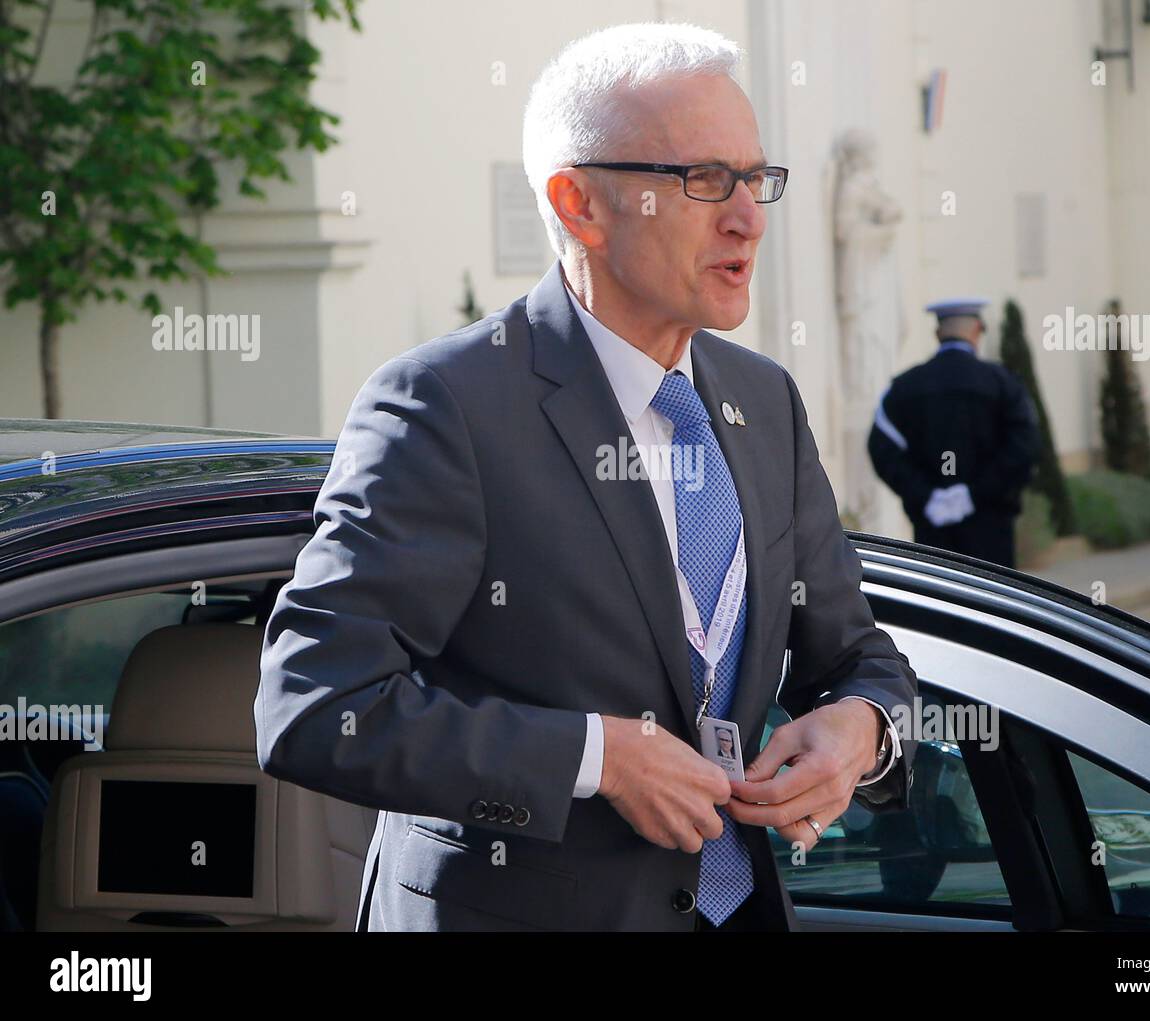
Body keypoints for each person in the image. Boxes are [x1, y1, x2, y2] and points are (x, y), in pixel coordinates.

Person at [255, 22, 918, 933]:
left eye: (757, 180)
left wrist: (862, 731)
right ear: (579, 205)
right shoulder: (445, 405)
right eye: (704, 180)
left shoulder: (764, 402)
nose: (749, 217)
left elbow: (859, 659)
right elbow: (316, 703)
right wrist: (595, 756)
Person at [867, 298, 1039, 568]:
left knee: (937, 603)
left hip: (931, 532)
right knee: (993, 605)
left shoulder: (905, 387)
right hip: (992, 530)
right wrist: (974, 495)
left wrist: (927, 496)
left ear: (937, 334)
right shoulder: (1003, 384)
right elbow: (1024, 447)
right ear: (977, 331)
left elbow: (882, 449)